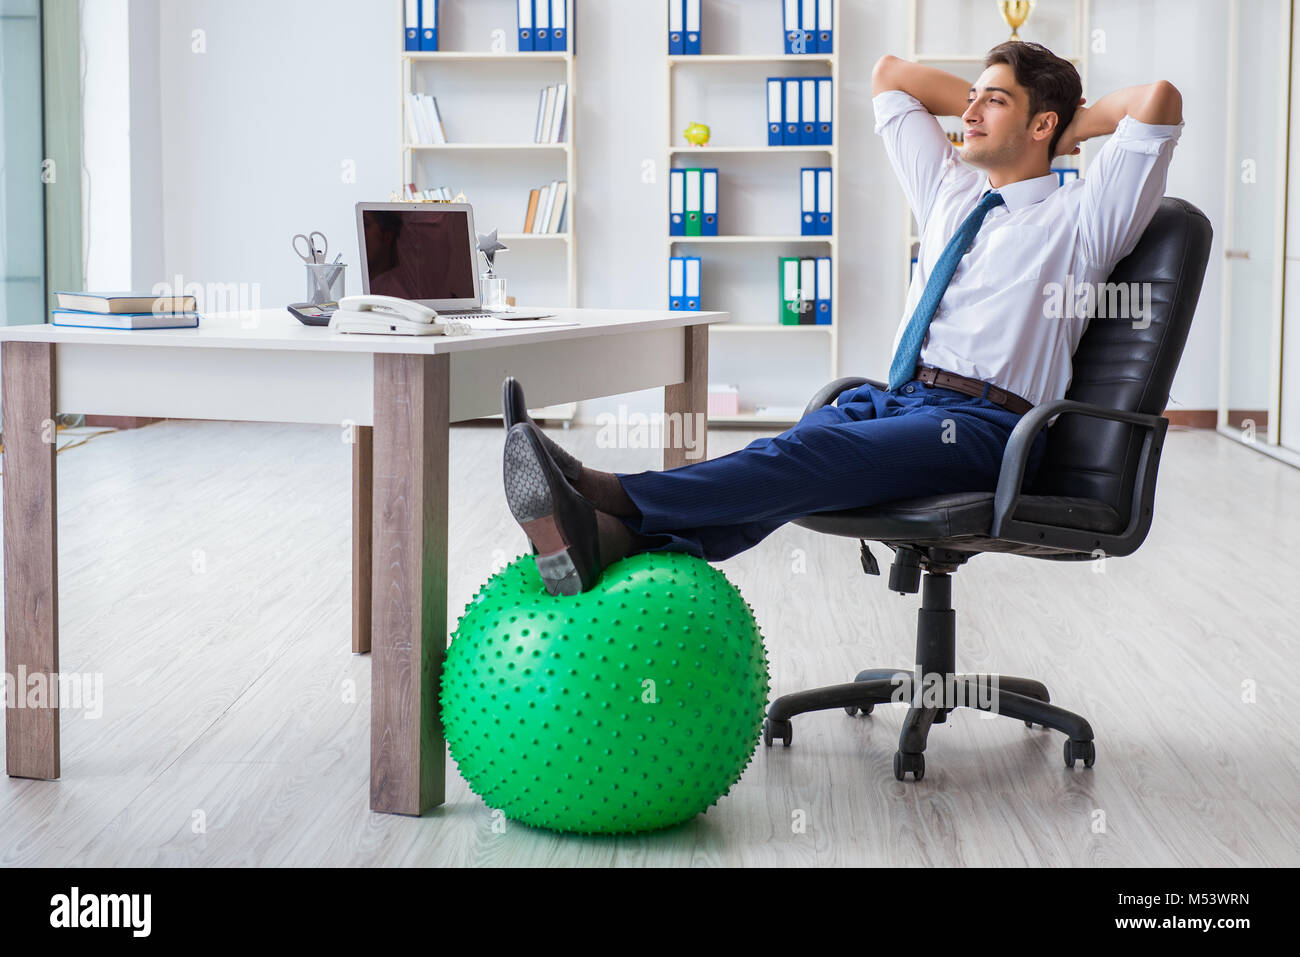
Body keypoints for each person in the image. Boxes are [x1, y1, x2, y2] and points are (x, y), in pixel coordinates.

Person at [502, 40, 1185, 597]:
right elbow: (889, 76)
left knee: (808, 455)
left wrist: (1067, 127)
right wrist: (1002, 102)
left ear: (1042, 125)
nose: (969, 111)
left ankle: (605, 491)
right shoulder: (950, 190)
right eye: (970, 97)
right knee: (791, 460)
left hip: (987, 427)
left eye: (993, 101)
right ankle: (615, 538)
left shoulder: (1083, 217)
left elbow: (1158, 100)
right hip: (895, 400)